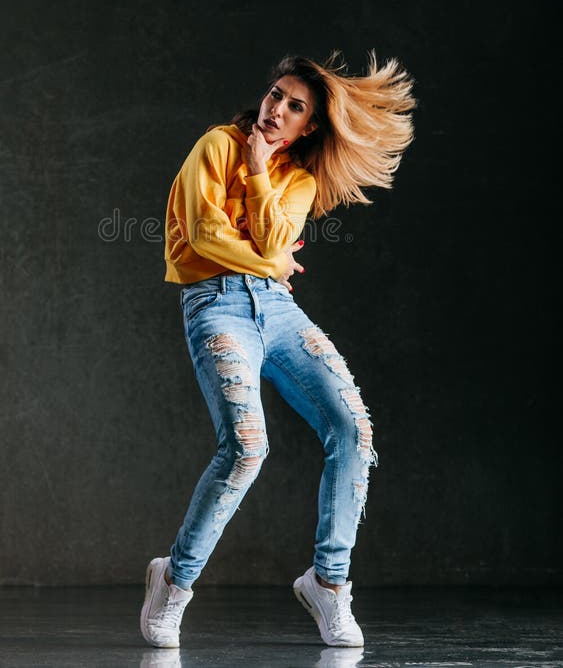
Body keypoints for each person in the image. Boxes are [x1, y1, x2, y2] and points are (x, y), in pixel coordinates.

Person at [140, 50, 416, 649]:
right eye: (274, 96)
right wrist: (270, 258)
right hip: (213, 304)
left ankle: (328, 582)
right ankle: (175, 581)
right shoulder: (215, 146)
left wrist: (262, 175)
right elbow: (203, 234)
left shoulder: (300, 180)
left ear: (308, 126)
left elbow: (271, 236)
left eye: (294, 106)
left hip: (278, 310)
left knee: (353, 431)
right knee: (245, 447)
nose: (277, 110)